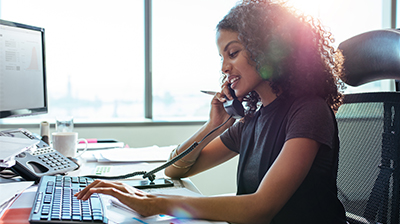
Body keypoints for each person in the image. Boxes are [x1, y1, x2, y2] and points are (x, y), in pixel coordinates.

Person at [75, 0, 348, 223]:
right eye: (222, 57)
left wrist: (155, 204)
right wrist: (212, 126)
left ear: (266, 50)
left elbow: (260, 208)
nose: (224, 68)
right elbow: (176, 171)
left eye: (233, 53)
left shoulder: (309, 111)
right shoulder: (253, 120)